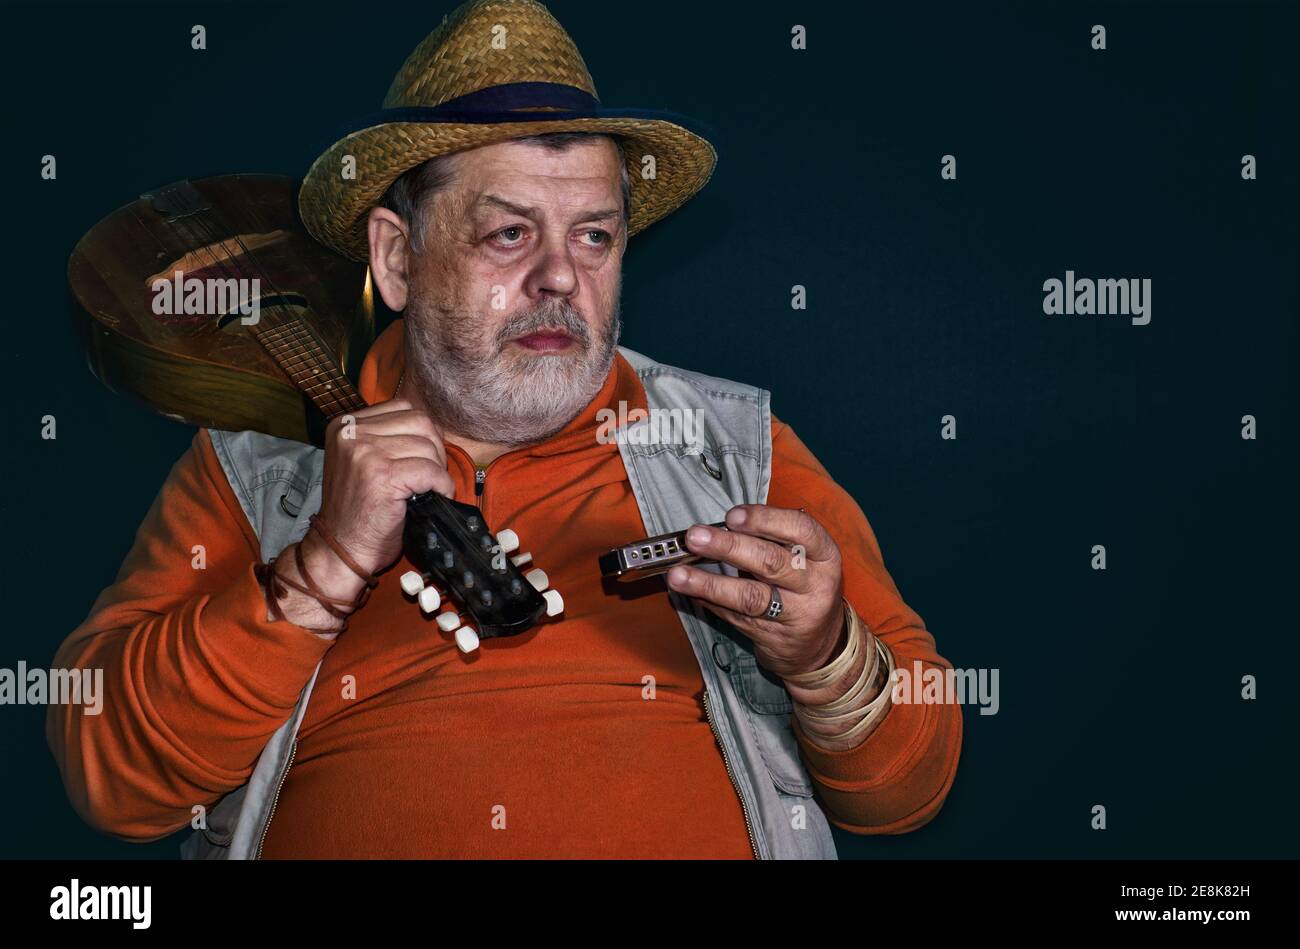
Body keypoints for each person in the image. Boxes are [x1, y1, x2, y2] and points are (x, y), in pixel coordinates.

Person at [48, 0, 961, 859]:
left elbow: (907, 791)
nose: (563, 277)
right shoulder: (254, 471)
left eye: (595, 236)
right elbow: (111, 781)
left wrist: (829, 656)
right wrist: (321, 565)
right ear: (397, 260)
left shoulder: (736, 446)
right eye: (510, 236)